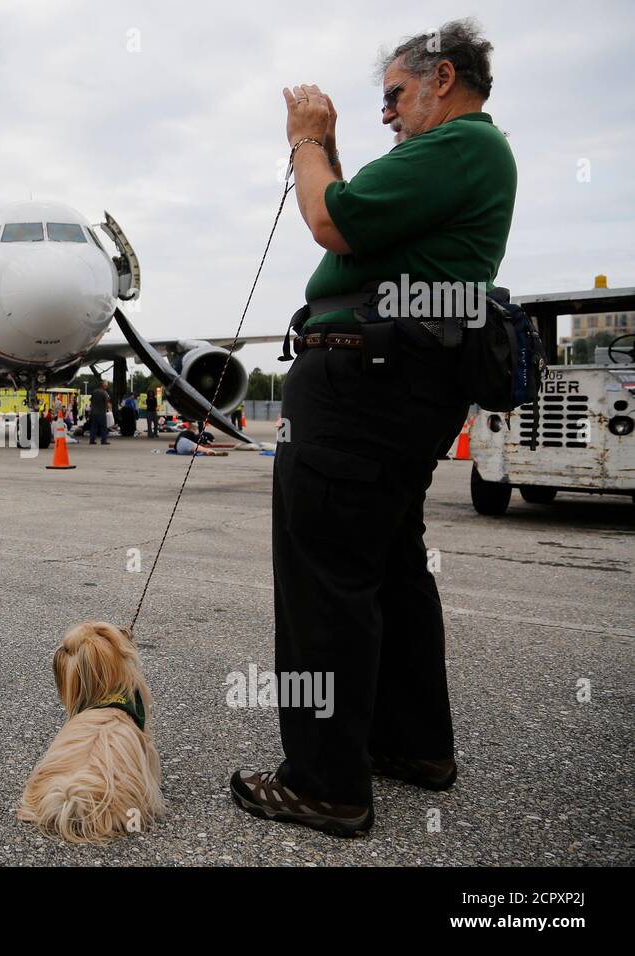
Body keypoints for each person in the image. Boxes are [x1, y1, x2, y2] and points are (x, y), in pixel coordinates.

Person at [230, 19, 515, 838]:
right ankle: (414, 745)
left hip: (366, 384)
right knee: (388, 568)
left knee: (322, 580)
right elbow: (362, 220)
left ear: (443, 79)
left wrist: (307, 140)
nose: (386, 112)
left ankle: (323, 783)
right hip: (399, 379)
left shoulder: (460, 146)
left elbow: (333, 222)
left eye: (394, 95)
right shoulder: (453, 161)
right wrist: (332, 165)